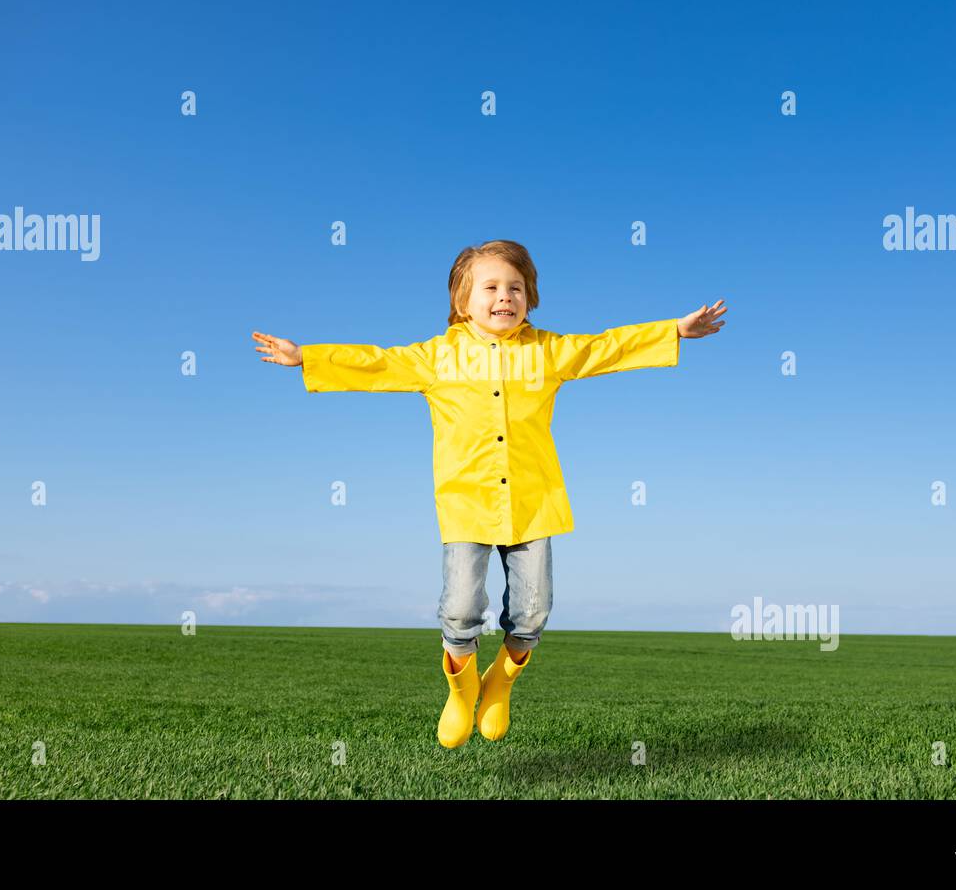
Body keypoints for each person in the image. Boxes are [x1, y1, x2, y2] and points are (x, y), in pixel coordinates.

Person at [252, 239, 726, 748]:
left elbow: (604, 348)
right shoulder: (437, 357)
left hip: (531, 502)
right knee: (459, 611)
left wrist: (673, 330)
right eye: (492, 287)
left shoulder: (547, 351)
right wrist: (308, 358)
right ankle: (460, 694)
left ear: (531, 297)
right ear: (462, 300)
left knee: (533, 612)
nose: (505, 296)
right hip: (467, 503)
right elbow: (377, 363)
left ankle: (499, 682)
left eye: (516, 287)